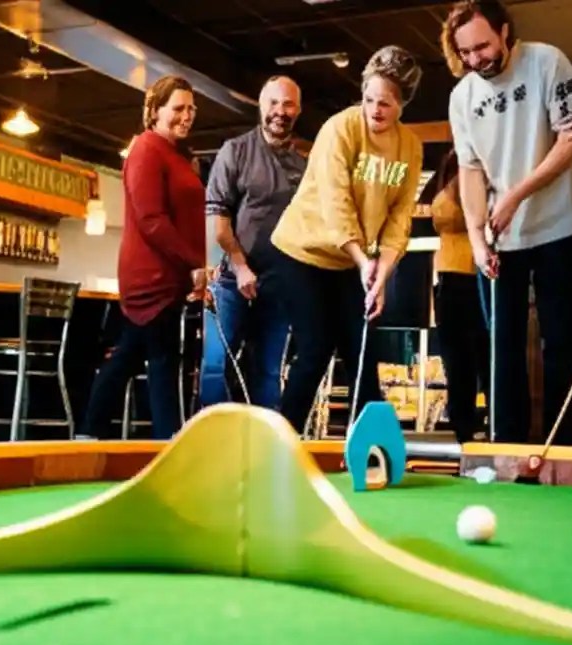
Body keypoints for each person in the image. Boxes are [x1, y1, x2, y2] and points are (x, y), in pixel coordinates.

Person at [442, 0, 572, 445]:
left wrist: (512, 196)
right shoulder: (462, 96)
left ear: (505, 33)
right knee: (502, 349)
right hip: (500, 239)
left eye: (482, 47)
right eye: (465, 52)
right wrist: (475, 237)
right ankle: (507, 449)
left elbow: (571, 140)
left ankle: (561, 450)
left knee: (560, 344)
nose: (475, 60)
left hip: (559, 226)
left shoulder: (548, 62)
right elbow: (469, 170)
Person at [269, 46, 424, 434]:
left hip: (351, 263)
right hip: (302, 252)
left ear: (403, 103)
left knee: (362, 351)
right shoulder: (340, 128)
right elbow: (335, 200)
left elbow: (399, 217)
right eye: (369, 99)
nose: (375, 110)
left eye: (386, 103)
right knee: (316, 348)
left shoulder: (410, 147)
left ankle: (372, 446)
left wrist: (381, 272)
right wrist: (363, 261)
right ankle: (280, 440)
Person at [81, 76, 206, 440]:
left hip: (171, 277)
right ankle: (165, 443)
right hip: (150, 277)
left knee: (141, 357)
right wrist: (193, 262)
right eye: (178, 109)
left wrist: (193, 267)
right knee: (158, 361)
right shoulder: (146, 150)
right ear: (154, 111)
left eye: (191, 109)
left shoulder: (178, 155)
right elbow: (152, 221)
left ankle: (92, 433)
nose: (187, 116)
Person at [200, 76, 307, 411]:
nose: (280, 111)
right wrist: (241, 265)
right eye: (274, 103)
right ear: (262, 106)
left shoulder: (303, 167)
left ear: (298, 110)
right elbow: (219, 221)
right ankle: (211, 443)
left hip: (279, 285)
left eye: (288, 104)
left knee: (267, 372)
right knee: (217, 365)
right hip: (233, 280)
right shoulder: (235, 151)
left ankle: (264, 450)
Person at [429, 148, 491, 444]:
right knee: (456, 360)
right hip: (447, 277)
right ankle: (462, 428)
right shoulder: (453, 166)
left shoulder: (476, 170)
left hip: (475, 274)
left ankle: (494, 425)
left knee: (483, 354)